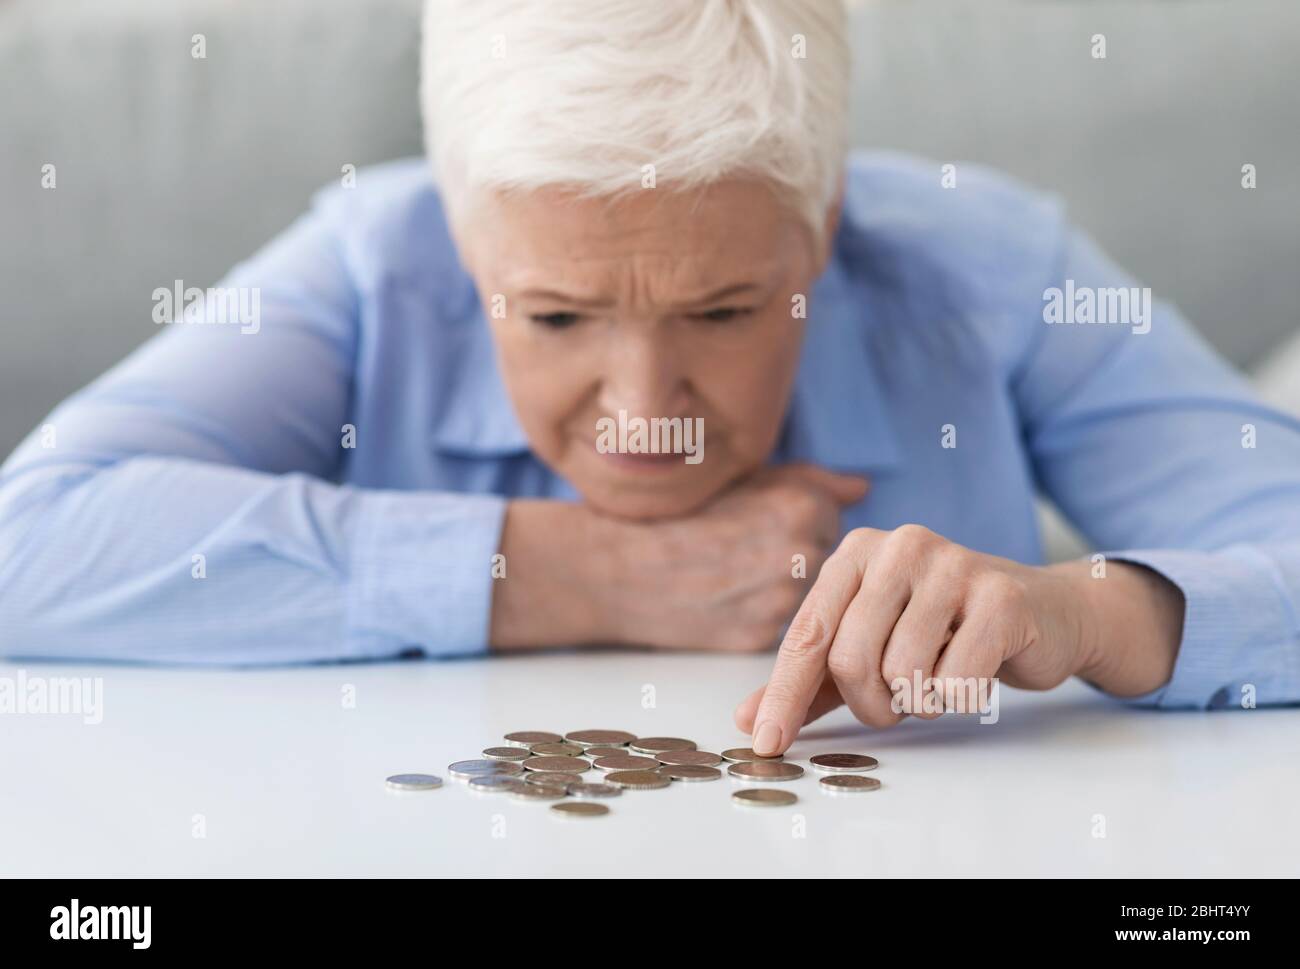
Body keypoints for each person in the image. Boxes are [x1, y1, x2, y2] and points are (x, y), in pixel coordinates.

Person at [2, 0, 1298, 758]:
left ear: (824, 219)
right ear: (466, 243)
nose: (641, 409)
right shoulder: (368, 261)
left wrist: (1089, 609)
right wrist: (581, 569)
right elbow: (25, 544)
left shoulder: (993, 261)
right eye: (556, 311)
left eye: (726, 307)